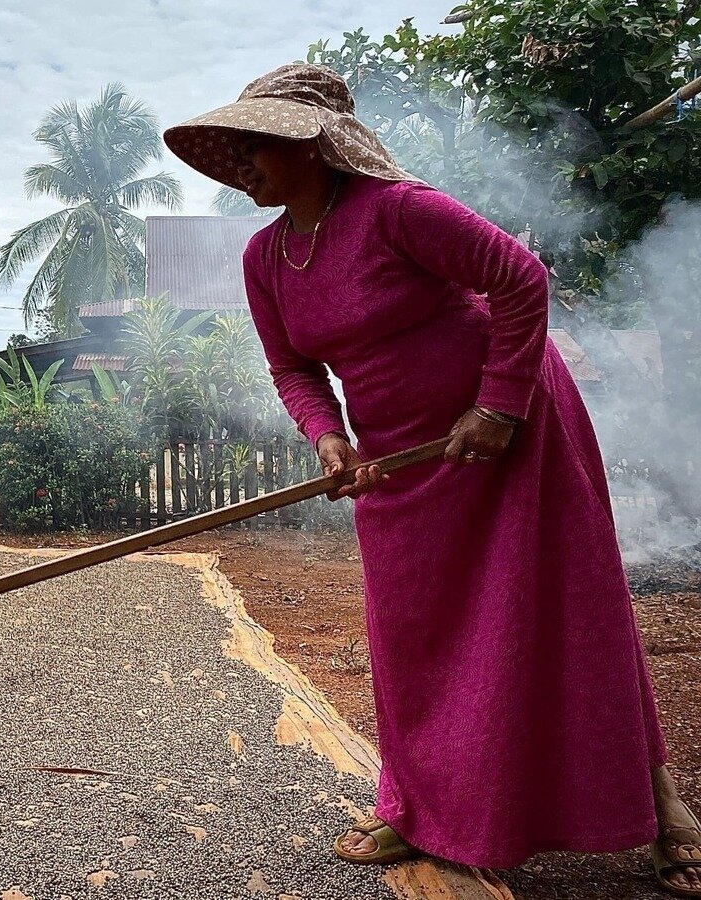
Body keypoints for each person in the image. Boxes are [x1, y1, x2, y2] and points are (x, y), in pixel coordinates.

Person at [163, 63, 696, 894]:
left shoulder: (398, 210)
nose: (240, 164)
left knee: (562, 612)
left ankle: (664, 815)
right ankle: (416, 807)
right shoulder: (264, 257)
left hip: (511, 431)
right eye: (232, 149)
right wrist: (326, 437)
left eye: (254, 144)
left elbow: (520, 277)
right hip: (398, 462)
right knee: (415, 636)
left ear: (312, 145)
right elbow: (293, 368)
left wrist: (499, 406)